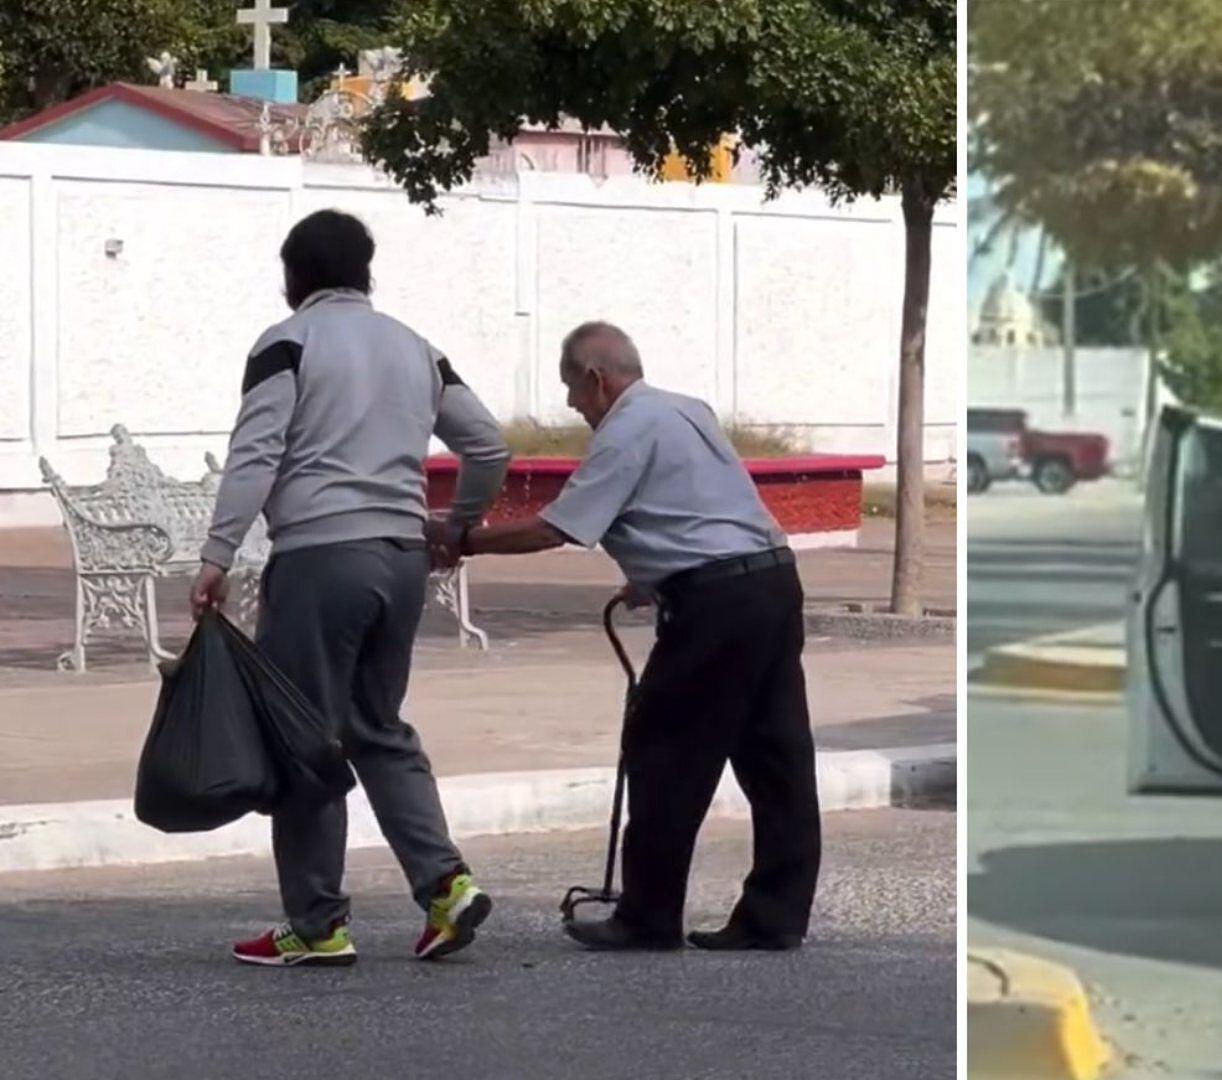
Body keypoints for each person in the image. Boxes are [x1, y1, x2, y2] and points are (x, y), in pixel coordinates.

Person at [191, 209, 510, 966]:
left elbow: (257, 453)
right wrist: (454, 526)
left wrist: (216, 554)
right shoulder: (416, 347)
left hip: (319, 558)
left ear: (291, 276)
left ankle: (317, 923)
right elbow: (487, 443)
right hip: (400, 559)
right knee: (376, 725)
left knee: (304, 739)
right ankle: (445, 885)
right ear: (366, 272)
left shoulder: (287, 344)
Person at [439, 321, 820, 952]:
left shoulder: (626, 428)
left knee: (664, 751)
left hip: (716, 602)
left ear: (596, 377)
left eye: (571, 388)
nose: (570, 405)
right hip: (771, 582)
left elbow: (557, 527)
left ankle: (647, 916)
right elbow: (704, 501)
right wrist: (652, 574)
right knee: (775, 755)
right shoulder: (686, 409)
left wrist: (461, 542)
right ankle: (776, 914)